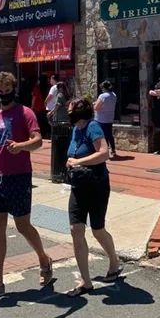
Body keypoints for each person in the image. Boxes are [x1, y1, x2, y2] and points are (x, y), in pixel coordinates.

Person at [0, 72, 52, 302]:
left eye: (7, 90)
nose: (4, 95)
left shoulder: (25, 113)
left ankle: (44, 259)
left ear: (14, 90)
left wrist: (22, 146)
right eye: (0, 91)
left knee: (23, 226)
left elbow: (38, 141)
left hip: (19, 177)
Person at [65, 98, 121, 297]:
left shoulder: (93, 127)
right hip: (78, 186)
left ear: (79, 111)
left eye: (70, 108)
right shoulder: (75, 129)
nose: (67, 110)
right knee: (75, 229)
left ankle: (114, 262)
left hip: (96, 185)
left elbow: (104, 153)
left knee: (98, 230)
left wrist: (78, 161)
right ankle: (86, 282)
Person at [94, 81, 118, 158]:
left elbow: (96, 108)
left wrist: (94, 104)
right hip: (109, 118)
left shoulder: (102, 96)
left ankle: (105, 151)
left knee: (102, 136)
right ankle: (113, 150)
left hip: (101, 119)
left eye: (102, 88)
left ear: (104, 88)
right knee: (109, 135)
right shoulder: (114, 95)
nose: (101, 89)